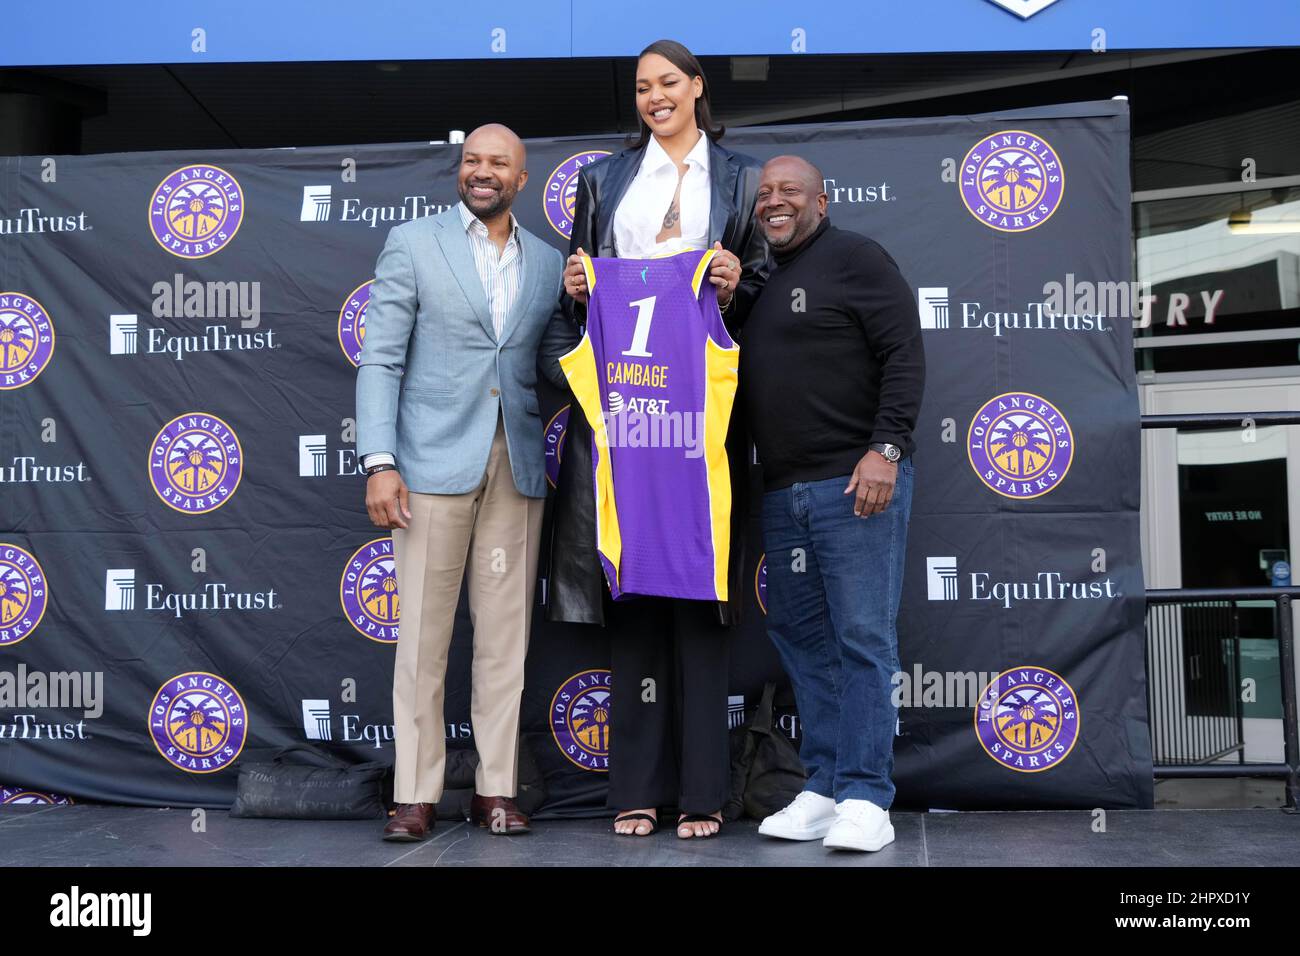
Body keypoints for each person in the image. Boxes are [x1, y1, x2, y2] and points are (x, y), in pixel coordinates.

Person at [545, 39, 769, 839]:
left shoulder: (741, 176)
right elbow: (579, 300)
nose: (654, 97)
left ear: (698, 87)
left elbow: (768, 280)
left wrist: (741, 280)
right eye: (642, 87)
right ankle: (633, 789)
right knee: (635, 601)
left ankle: (705, 795)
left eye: (669, 83)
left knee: (702, 603)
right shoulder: (603, 178)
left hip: (702, 419)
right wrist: (577, 287)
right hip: (629, 416)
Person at [356, 124, 567, 841]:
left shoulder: (548, 261)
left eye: (497, 163)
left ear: (522, 178)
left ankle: (495, 789)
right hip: (428, 469)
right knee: (422, 635)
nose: (482, 172)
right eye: (471, 160)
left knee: (505, 639)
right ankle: (414, 792)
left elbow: (554, 362)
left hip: (517, 468)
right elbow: (380, 360)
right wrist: (379, 461)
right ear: (460, 172)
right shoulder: (414, 243)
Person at [741, 155, 925, 852]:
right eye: (764, 194)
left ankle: (868, 796)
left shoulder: (856, 258)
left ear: (823, 199)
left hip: (856, 483)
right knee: (804, 643)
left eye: (789, 191)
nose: (774, 202)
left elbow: (904, 352)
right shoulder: (767, 280)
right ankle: (822, 785)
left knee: (862, 641)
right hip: (785, 493)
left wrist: (889, 449)